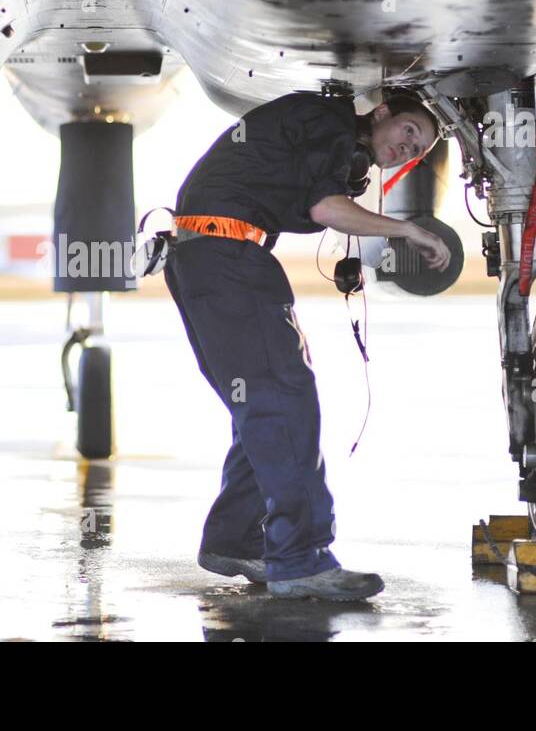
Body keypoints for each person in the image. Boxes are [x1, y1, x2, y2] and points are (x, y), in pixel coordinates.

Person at [164, 89, 449, 600]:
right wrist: (408, 230)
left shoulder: (319, 133)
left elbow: (316, 197)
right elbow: (326, 208)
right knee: (284, 401)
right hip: (228, 258)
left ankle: (234, 539)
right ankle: (301, 559)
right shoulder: (327, 118)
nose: (410, 149)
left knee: (260, 403)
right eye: (409, 132)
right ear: (380, 112)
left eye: (420, 151)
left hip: (209, 257)